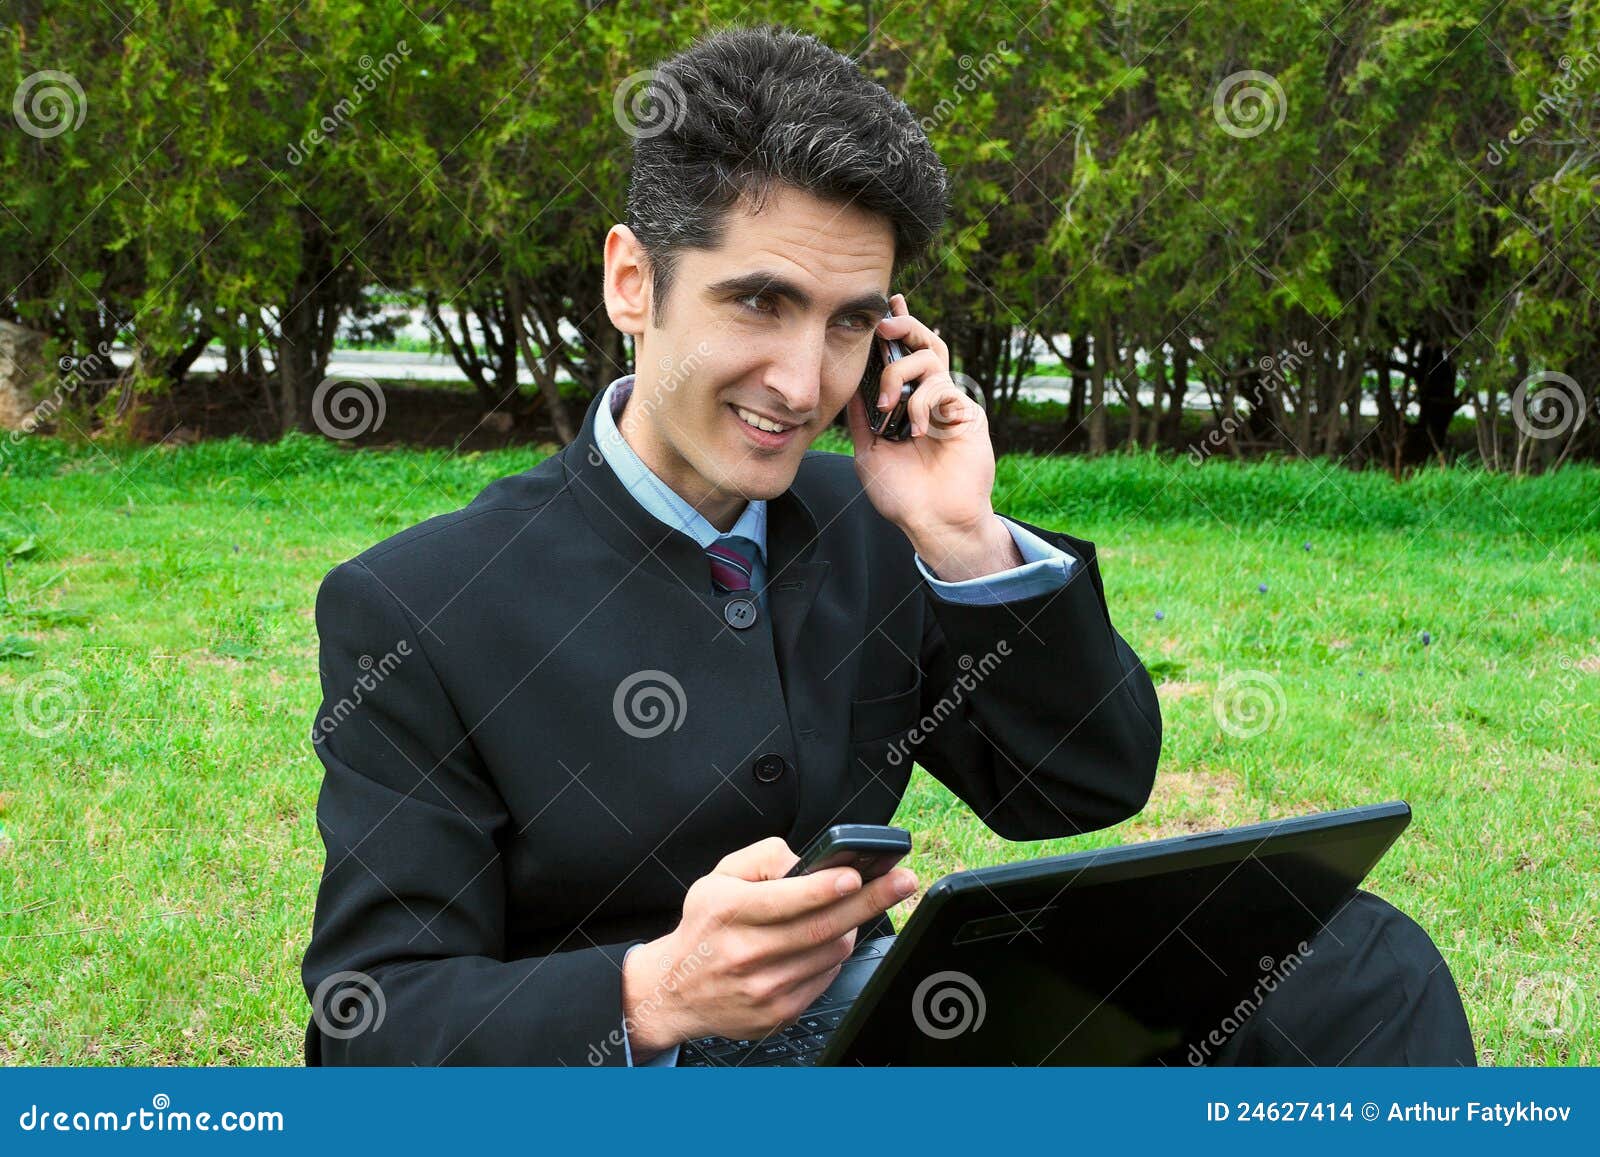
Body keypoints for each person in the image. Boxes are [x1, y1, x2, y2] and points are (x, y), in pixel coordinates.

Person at [300, 24, 1471, 1067]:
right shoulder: (419, 606)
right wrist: (652, 993)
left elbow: (1079, 784)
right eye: (759, 302)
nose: (801, 381)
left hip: (894, 1038)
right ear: (631, 282)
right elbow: (368, 1025)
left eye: (850, 321)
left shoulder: (874, 522)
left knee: (1345, 953)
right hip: (657, 1092)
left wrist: (961, 536)